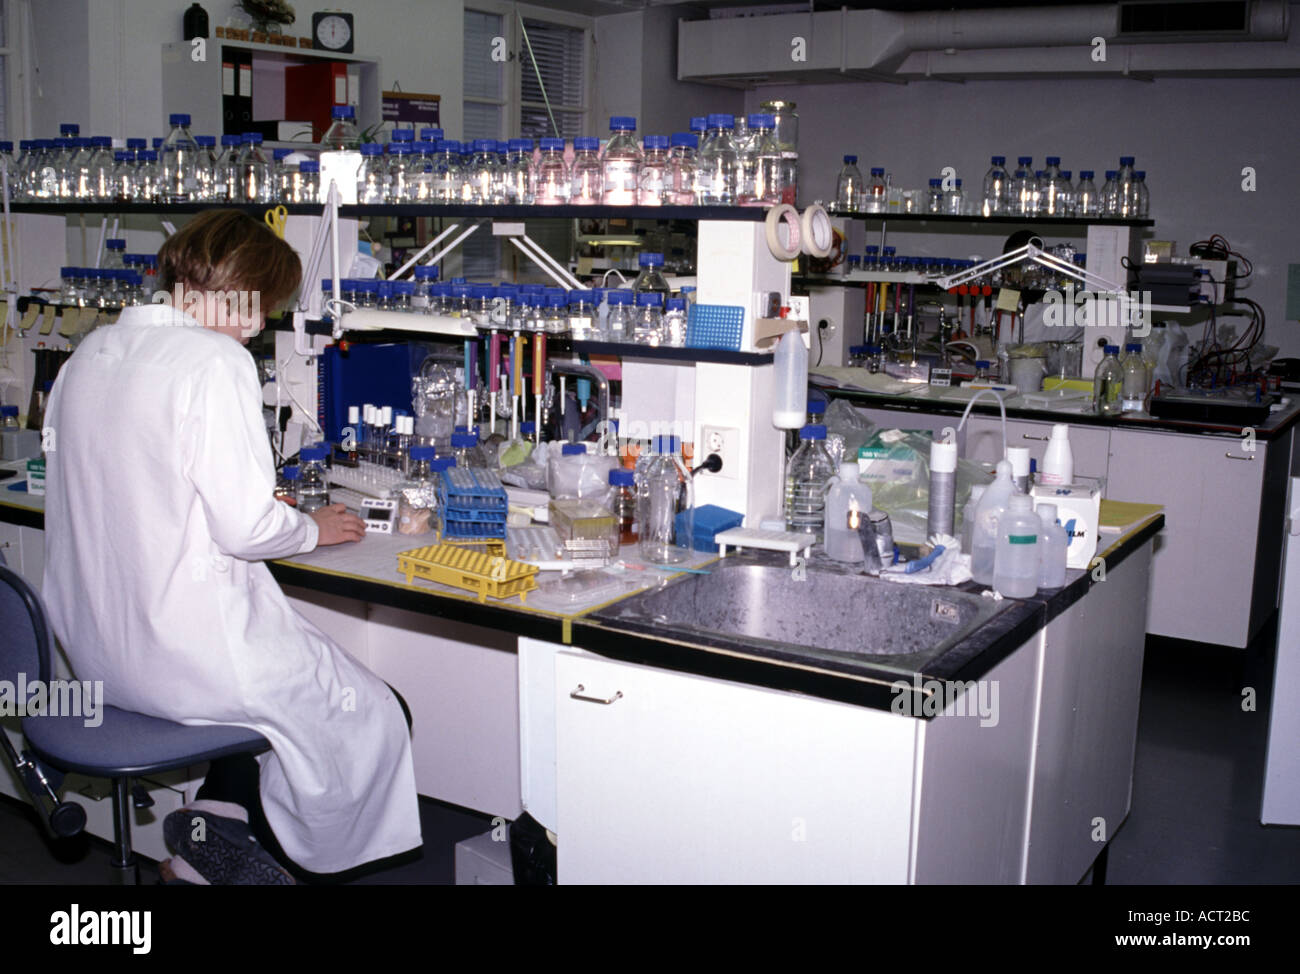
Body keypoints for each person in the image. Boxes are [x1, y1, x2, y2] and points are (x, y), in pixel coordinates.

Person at [42, 210, 422, 883]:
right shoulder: (214, 360)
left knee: (282, 706)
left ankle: (210, 836)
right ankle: (262, 867)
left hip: (98, 653)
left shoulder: (90, 354)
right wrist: (312, 529)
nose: (256, 326)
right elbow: (246, 529)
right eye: (260, 308)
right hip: (188, 660)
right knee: (376, 713)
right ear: (237, 287)